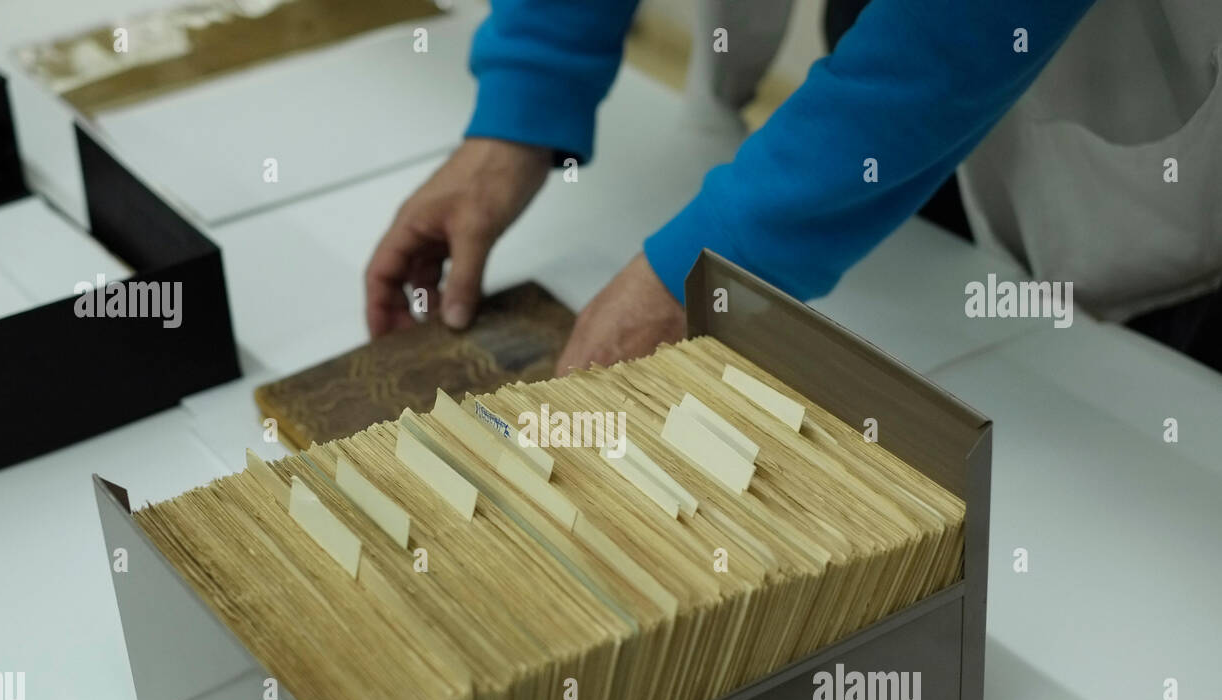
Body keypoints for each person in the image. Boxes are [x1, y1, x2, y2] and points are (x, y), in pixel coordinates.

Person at [365, 0, 1222, 374]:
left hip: (1100, 83)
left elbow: (968, 22)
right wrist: (525, 100)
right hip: (903, 71)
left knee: (1134, 433)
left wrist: (723, 255)